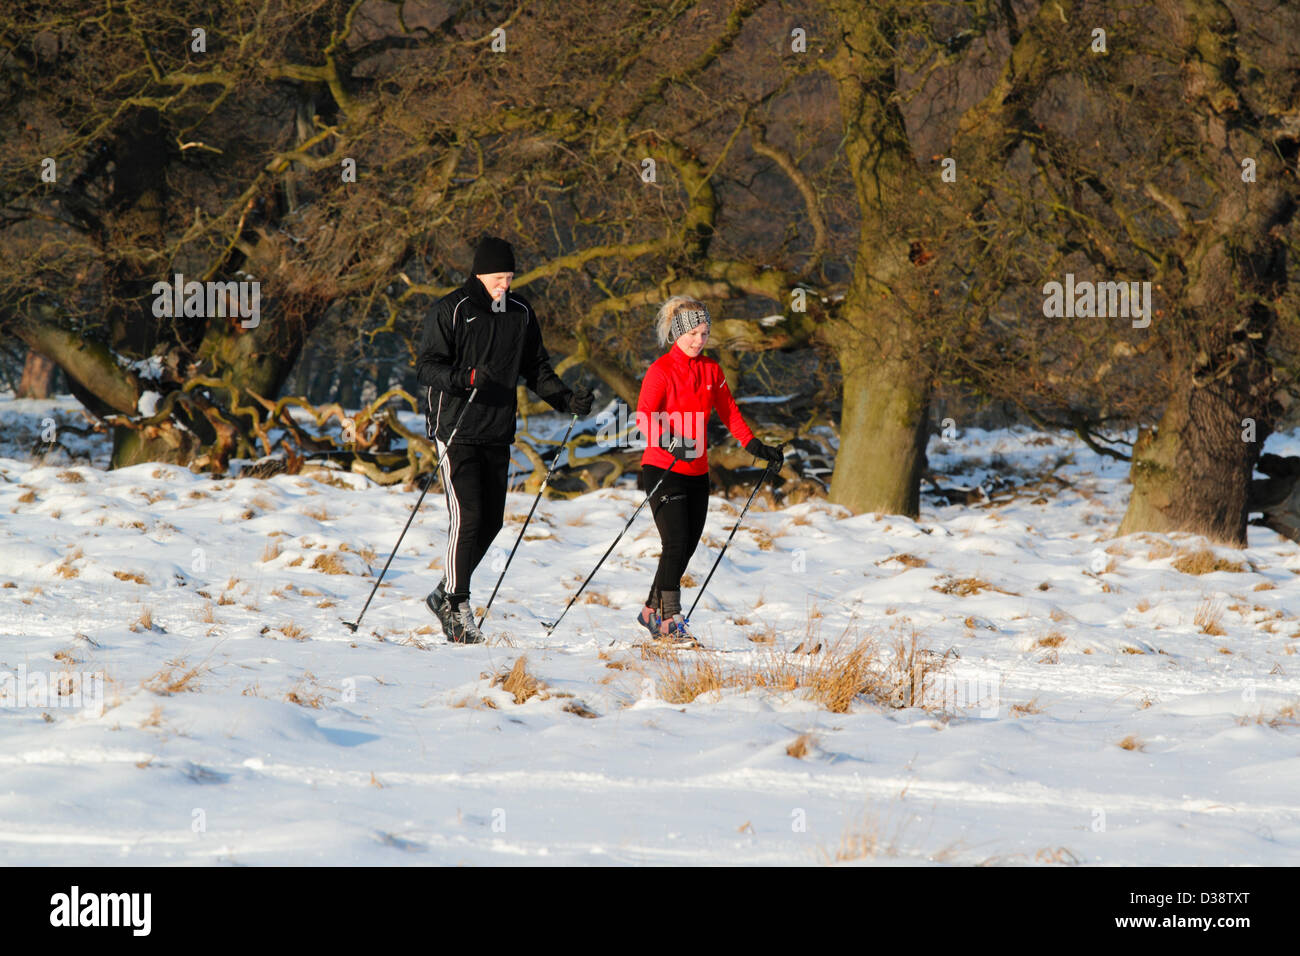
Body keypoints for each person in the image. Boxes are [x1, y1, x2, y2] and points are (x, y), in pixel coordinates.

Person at [416, 236, 593, 643]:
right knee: (468, 518)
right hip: (455, 428)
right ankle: (458, 603)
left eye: (510, 277)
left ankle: (444, 592)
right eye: (499, 277)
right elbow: (427, 367)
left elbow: (536, 368)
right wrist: (464, 378)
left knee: (492, 523)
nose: (505, 285)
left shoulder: (521, 312)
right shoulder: (452, 309)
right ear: (480, 274)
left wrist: (566, 399)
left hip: (496, 428)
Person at [634, 295, 784, 645]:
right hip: (663, 466)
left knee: (685, 547)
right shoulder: (661, 370)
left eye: (704, 333)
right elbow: (644, 415)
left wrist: (756, 448)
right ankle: (671, 620)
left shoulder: (711, 371)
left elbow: (730, 413)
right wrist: (671, 441)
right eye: (694, 334)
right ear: (677, 333)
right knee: (674, 542)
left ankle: (649, 612)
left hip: (697, 471)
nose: (699, 340)